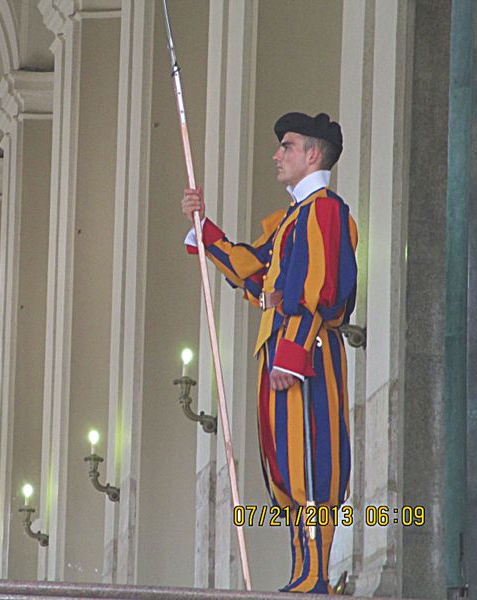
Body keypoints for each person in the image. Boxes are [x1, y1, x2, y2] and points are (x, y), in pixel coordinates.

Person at [182, 112, 357, 594]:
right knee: (284, 468)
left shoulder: (324, 210)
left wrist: (292, 353)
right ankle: (304, 572)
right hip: (282, 355)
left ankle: (316, 576)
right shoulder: (290, 221)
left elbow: (320, 289)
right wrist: (204, 227)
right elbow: (256, 272)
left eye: (288, 145)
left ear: (313, 155)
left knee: (311, 462)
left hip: (305, 356)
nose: (278, 155)